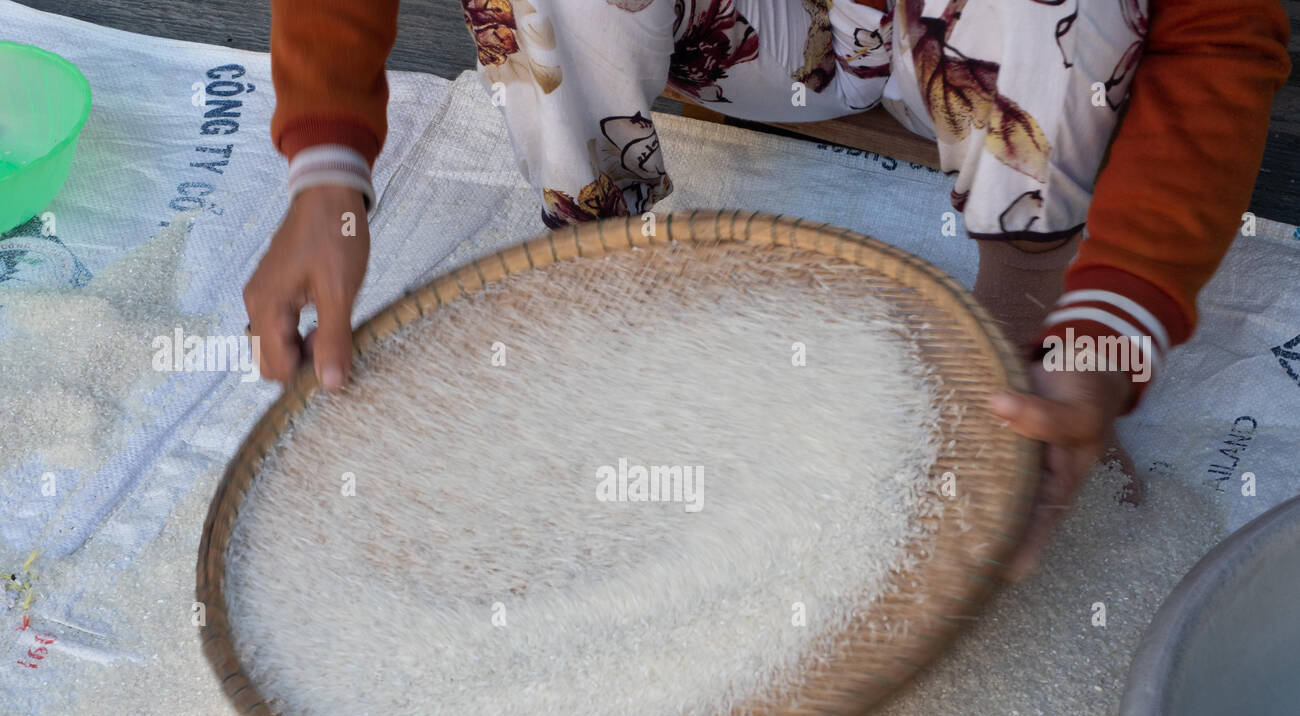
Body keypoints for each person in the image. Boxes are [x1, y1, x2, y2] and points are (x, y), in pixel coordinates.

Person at [243, 0, 1291, 579]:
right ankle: (604, 269)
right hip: (757, 40)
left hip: (1003, 52)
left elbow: (1218, 33)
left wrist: (1112, 320)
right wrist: (327, 170)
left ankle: (1022, 294)